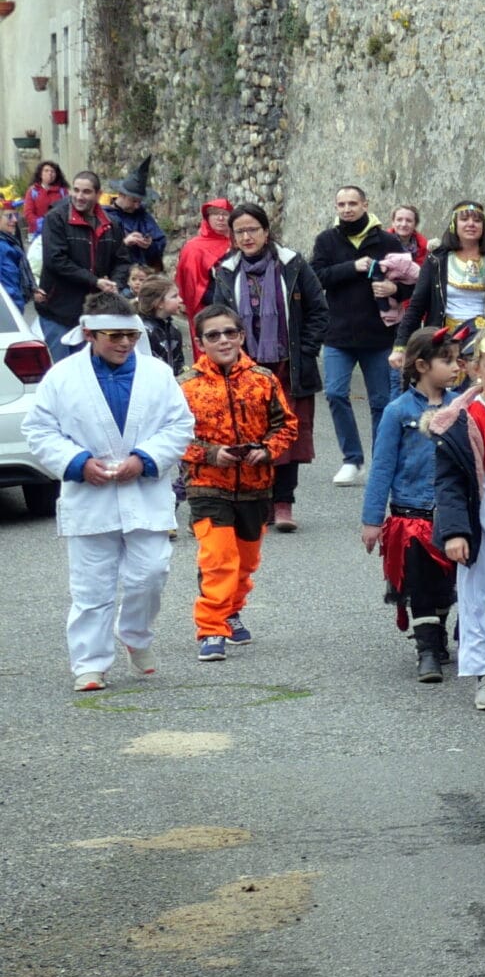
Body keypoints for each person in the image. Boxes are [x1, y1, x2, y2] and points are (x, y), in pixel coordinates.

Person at [23, 293, 195, 691]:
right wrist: (77, 462)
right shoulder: (63, 377)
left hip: (144, 490)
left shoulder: (157, 374)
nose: (124, 343)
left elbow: (179, 425)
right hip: (90, 495)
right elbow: (39, 430)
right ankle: (89, 662)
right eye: (114, 335)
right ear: (88, 333)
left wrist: (146, 458)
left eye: (131, 335)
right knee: (91, 585)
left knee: (151, 573)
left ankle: (134, 633)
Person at [179, 302, 295, 662]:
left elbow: (287, 425)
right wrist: (212, 454)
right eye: (214, 335)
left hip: (256, 485)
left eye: (230, 332)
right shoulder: (186, 386)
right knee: (218, 558)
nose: (224, 340)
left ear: (242, 335)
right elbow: (171, 437)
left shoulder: (263, 379)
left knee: (245, 562)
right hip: (207, 486)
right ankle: (211, 629)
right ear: (200, 343)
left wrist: (267, 449)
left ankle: (231, 609)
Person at [208, 204, 327, 532]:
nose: (246, 237)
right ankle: (262, 502)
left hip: (288, 367)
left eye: (252, 230)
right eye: (240, 232)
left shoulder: (293, 265)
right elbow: (216, 316)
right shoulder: (226, 271)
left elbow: (319, 310)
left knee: (287, 433)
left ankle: (284, 503)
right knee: (251, 433)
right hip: (246, 368)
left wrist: (304, 350)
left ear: (265, 231)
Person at [364, 324, 465, 683]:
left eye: (458, 361)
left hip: (453, 512)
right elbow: (382, 466)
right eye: (447, 360)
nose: (456, 368)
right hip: (412, 515)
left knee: (447, 584)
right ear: (421, 366)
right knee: (420, 584)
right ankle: (426, 651)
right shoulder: (397, 411)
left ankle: (439, 634)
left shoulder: (462, 406)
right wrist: (372, 519)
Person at [308, 184, 403, 486]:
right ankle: (352, 459)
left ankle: (381, 461)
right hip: (338, 335)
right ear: (336, 208)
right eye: (341, 204)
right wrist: (353, 267)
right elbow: (317, 277)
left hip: (378, 336)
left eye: (352, 203)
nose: (347, 209)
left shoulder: (387, 241)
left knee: (381, 402)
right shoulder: (326, 240)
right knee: (335, 393)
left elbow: (414, 278)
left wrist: (395, 289)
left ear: (365, 204)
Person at [430, 324, 485, 710]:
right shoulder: (462, 419)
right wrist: (456, 531)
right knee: (480, 597)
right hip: (483, 513)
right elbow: (451, 483)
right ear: (474, 369)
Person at [395, 200, 485, 350]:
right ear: (454, 225)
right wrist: (401, 344)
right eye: (464, 219)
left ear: (484, 227)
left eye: (477, 220)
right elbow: (417, 305)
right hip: (444, 341)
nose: (471, 224)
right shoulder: (436, 260)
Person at [34, 170, 120, 361]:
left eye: (86, 192)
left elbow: (122, 260)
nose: (79, 196)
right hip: (59, 311)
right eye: (76, 190)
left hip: (94, 313)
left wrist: (115, 283)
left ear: (98, 194)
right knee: (62, 371)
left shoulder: (111, 224)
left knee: (90, 371)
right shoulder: (56, 218)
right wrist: (94, 280)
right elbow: (55, 260)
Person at [173, 195, 232, 331]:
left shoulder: (237, 243)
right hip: (207, 308)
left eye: (225, 214)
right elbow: (192, 285)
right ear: (207, 217)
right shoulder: (193, 248)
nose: (221, 218)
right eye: (216, 214)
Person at [377, 205, 428, 338]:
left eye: (408, 220)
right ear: (393, 222)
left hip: (413, 305)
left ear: (415, 224)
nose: (403, 224)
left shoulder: (424, 248)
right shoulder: (379, 244)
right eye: (399, 220)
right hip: (387, 307)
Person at [105, 166, 167, 271]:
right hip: (115, 275)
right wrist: (124, 243)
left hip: (142, 276)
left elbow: (160, 242)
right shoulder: (104, 215)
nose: (137, 206)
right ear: (121, 195)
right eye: (133, 201)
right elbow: (100, 252)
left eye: (139, 201)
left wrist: (149, 245)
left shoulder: (143, 216)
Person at [129, 265, 187, 373]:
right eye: (174, 296)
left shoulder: (174, 329)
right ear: (159, 303)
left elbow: (179, 363)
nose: (180, 300)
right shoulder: (143, 331)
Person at [19, 159, 65, 234]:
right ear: (40, 174)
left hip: (58, 231)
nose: (50, 173)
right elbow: (28, 212)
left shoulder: (62, 191)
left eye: (52, 171)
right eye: (46, 171)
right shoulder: (33, 191)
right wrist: (38, 223)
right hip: (38, 232)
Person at [0, 213, 29, 312]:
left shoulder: (9, 243)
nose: (15, 220)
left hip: (14, 303)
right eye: (9, 216)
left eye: (15, 215)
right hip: (7, 307)